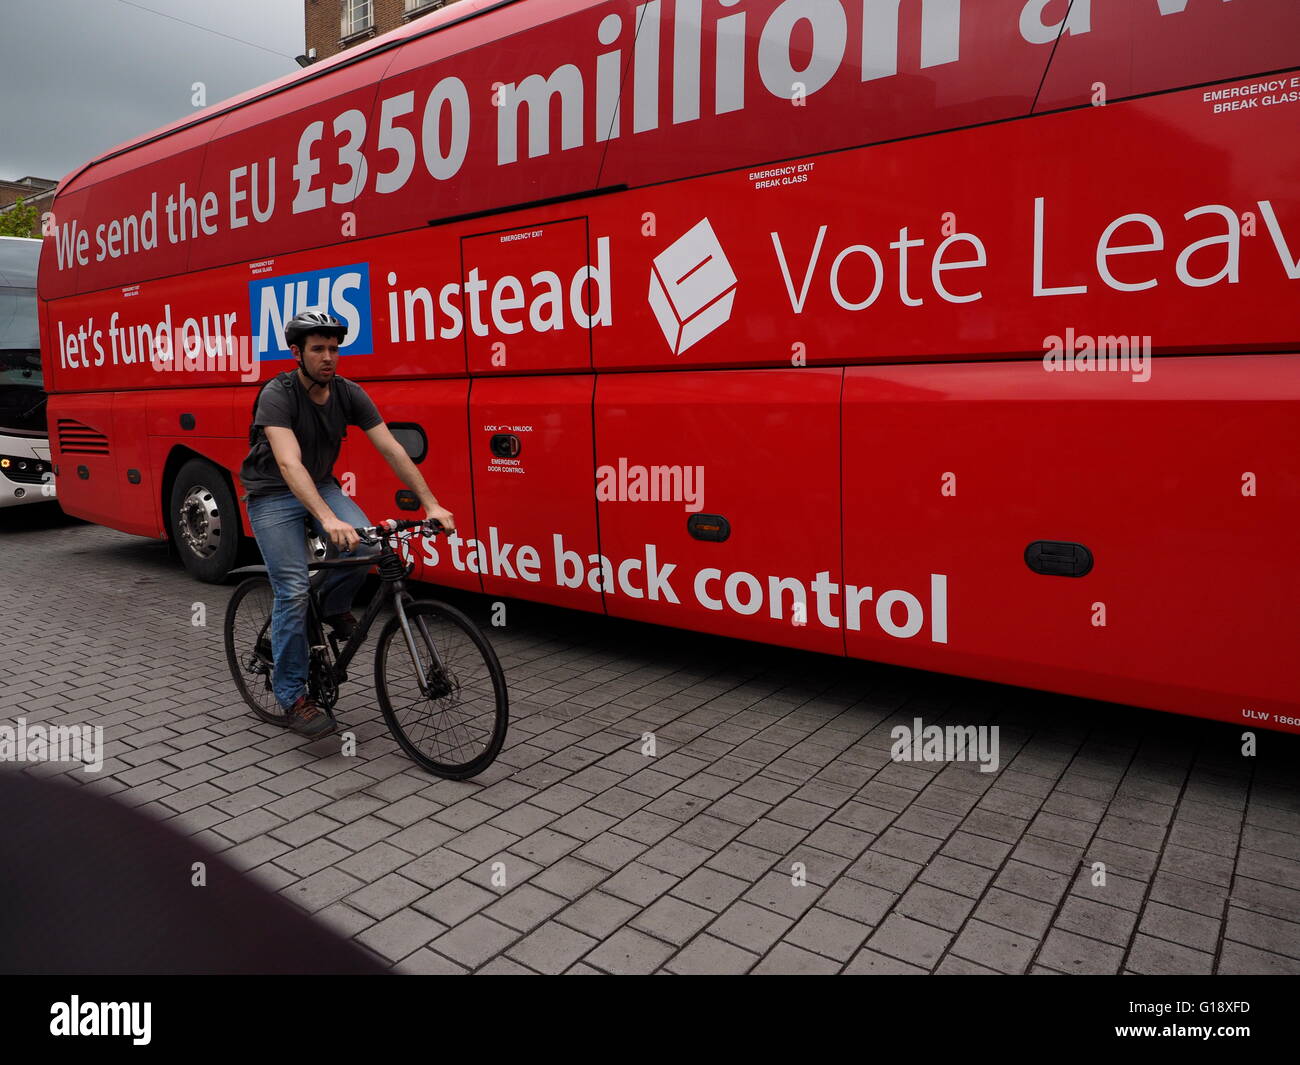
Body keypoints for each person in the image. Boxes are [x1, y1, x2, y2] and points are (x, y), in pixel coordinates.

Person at [237, 311, 455, 738]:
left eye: (334, 349)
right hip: (272, 493)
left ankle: (335, 607)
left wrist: (432, 503)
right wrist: (327, 517)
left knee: (368, 547)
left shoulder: (349, 393)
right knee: (294, 590)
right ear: (297, 353)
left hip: (320, 485)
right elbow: (287, 462)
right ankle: (294, 696)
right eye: (318, 349)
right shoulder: (277, 394)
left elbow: (391, 448)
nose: (328, 358)